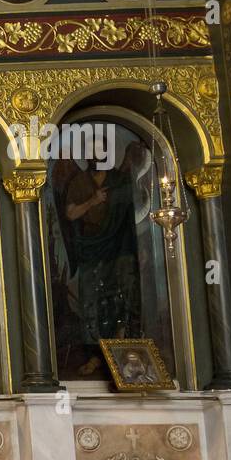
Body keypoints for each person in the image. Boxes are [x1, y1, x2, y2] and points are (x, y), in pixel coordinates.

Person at [59, 155, 142, 376]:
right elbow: (70, 213)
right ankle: (94, 355)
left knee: (120, 297)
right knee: (90, 301)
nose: (97, 156)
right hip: (91, 247)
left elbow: (136, 206)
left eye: (102, 150)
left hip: (119, 248)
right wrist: (92, 202)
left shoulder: (119, 180)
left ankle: (121, 353)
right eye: (93, 152)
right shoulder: (79, 182)